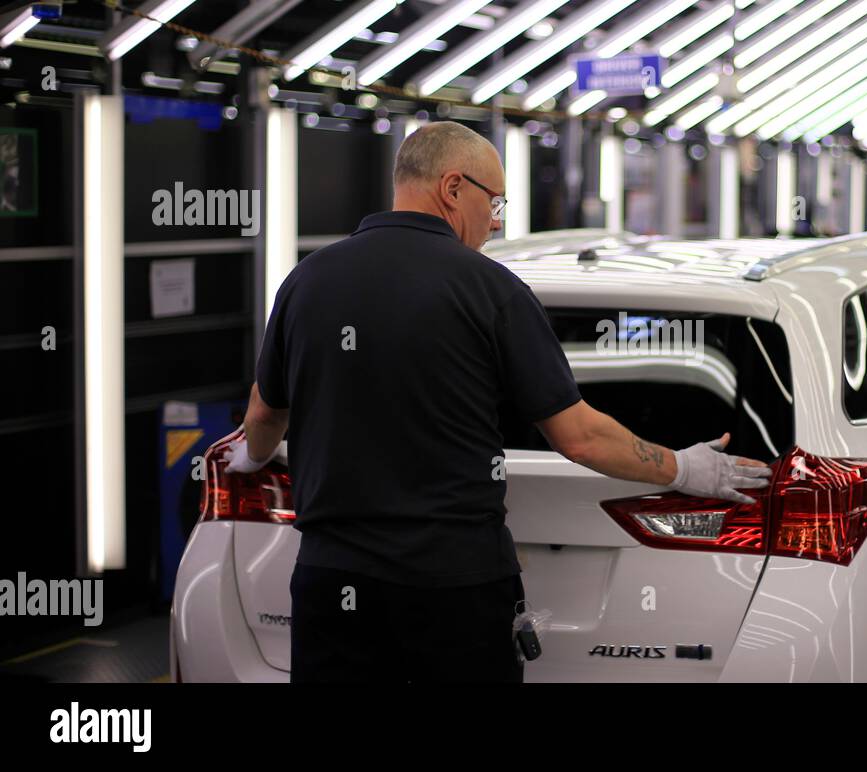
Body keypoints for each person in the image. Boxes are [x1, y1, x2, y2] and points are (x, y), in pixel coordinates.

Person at [221, 121, 771, 683]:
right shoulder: (491, 290)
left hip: (332, 580)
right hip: (452, 588)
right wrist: (685, 467)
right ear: (453, 187)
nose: (498, 217)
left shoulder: (305, 280)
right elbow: (578, 437)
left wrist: (253, 459)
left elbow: (264, 415)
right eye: (495, 199)